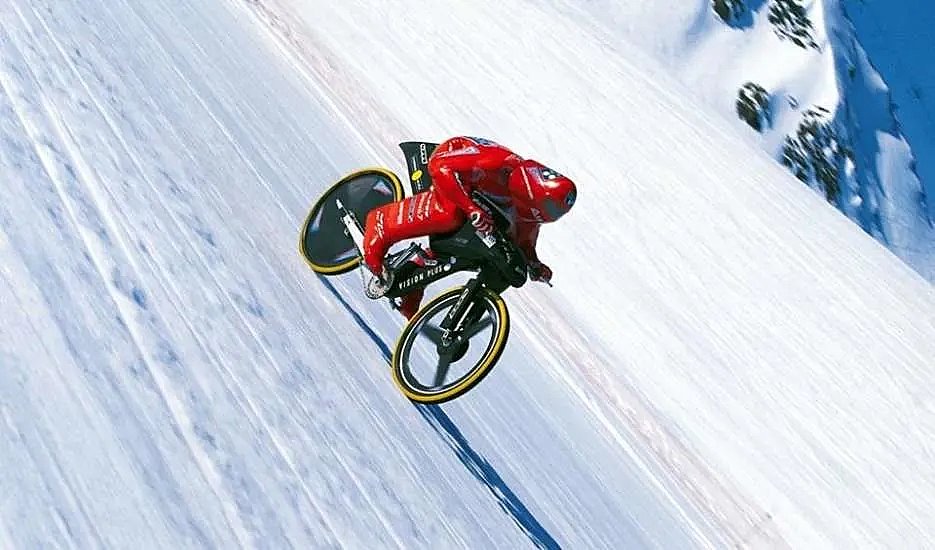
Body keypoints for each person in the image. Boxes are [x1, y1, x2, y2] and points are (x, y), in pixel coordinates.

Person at [361, 136, 577, 318]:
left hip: (473, 191)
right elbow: (439, 166)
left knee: (490, 251)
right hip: (451, 166)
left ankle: (416, 273)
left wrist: (534, 264)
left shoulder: (530, 211)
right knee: (449, 213)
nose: (547, 216)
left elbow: (522, 242)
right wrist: (470, 208)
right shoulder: (496, 162)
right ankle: (381, 224)